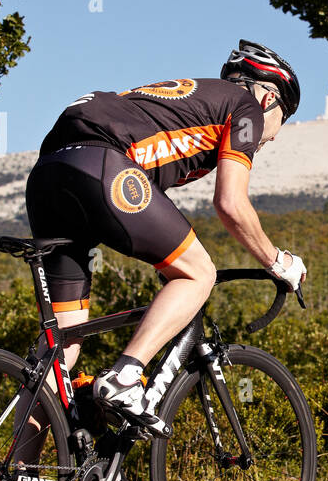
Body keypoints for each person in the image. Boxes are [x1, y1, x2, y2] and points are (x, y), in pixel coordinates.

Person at [24, 40, 307, 435]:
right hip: (103, 163)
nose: (273, 136)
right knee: (198, 274)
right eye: (284, 119)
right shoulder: (245, 110)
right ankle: (124, 377)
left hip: (49, 173)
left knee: (61, 350)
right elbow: (230, 204)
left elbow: (150, 206)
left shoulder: (189, 103)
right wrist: (278, 261)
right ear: (268, 97)